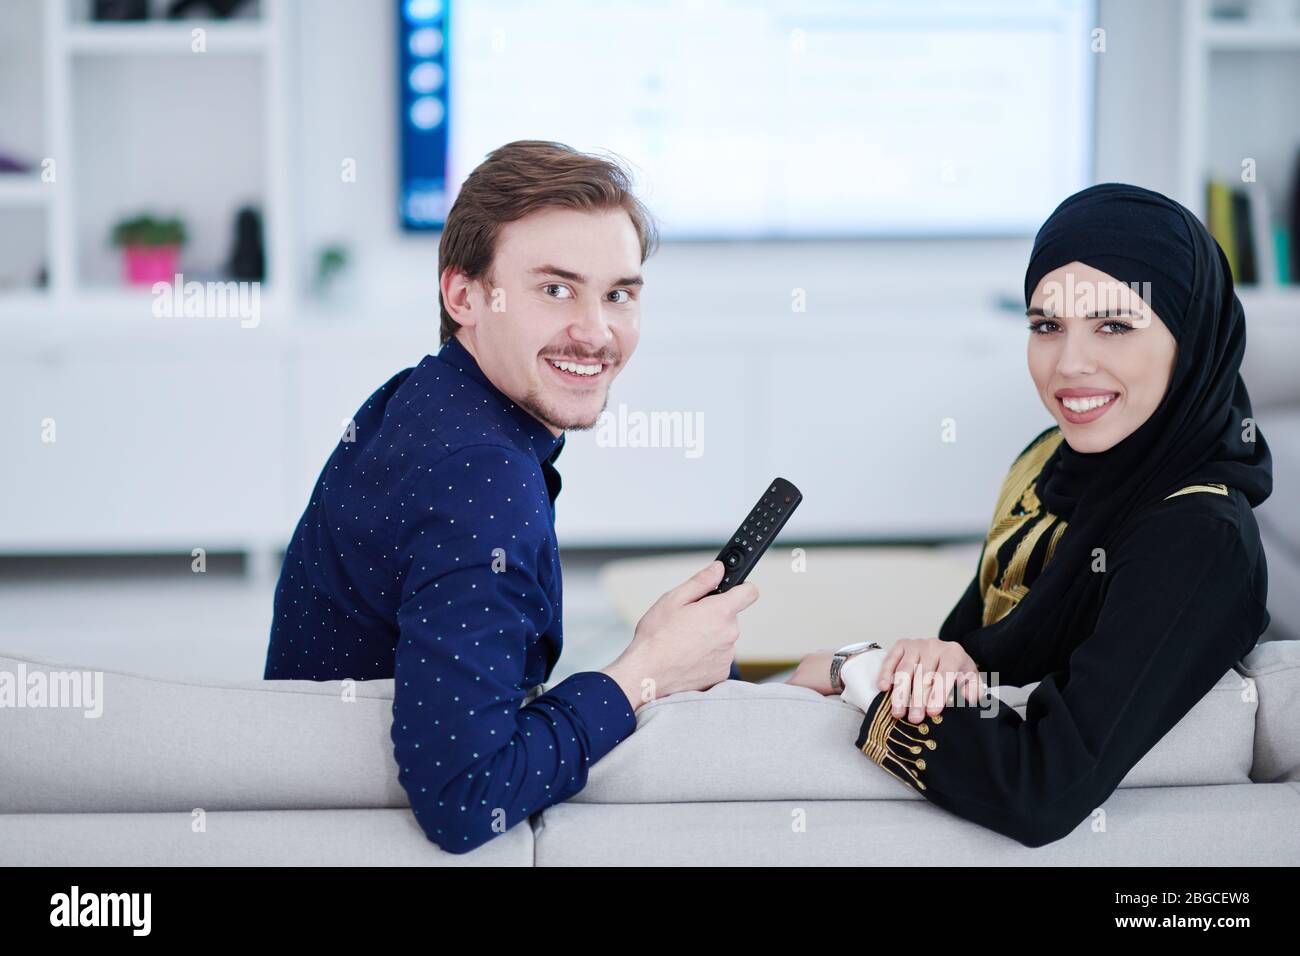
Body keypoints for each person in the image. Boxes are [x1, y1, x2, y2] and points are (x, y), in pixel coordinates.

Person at [263, 141, 757, 853]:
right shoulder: (483, 478)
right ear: (463, 295)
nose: (596, 332)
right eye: (555, 289)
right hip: (351, 832)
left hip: (304, 784)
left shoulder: (421, 395)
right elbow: (467, 798)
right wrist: (645, 673)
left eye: (618, 294)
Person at [786, 183, 1272, 848]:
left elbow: (1046, 789)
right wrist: (924, 665)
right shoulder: (1050, 457)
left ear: (1189, 340)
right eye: (1046, 326)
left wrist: (860, 670)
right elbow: (965, 647)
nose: (1068, 366)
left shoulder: (1197, 538)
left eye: (1114, 325)